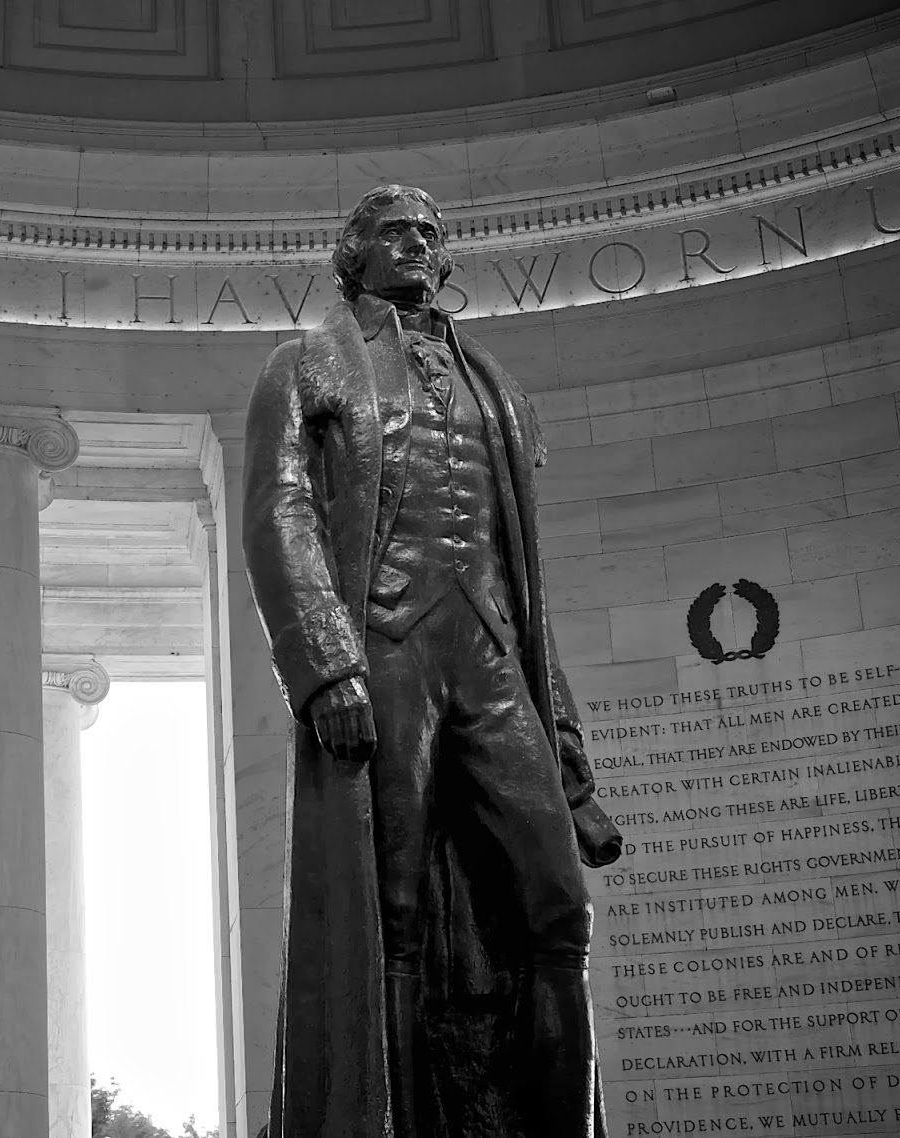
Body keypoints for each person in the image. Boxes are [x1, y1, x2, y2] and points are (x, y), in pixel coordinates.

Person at [241, 184, 620, 1138]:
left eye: (428, 233)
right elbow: (276, 512)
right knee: (392, 918)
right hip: (383, 647)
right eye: (393, 231)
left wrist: (568, 756)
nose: (415, 242)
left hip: (490, 652)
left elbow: (522, 575)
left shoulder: (496, 384)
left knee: (557, 904)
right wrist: (326, 666)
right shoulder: (308, 368)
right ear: (353, 254)